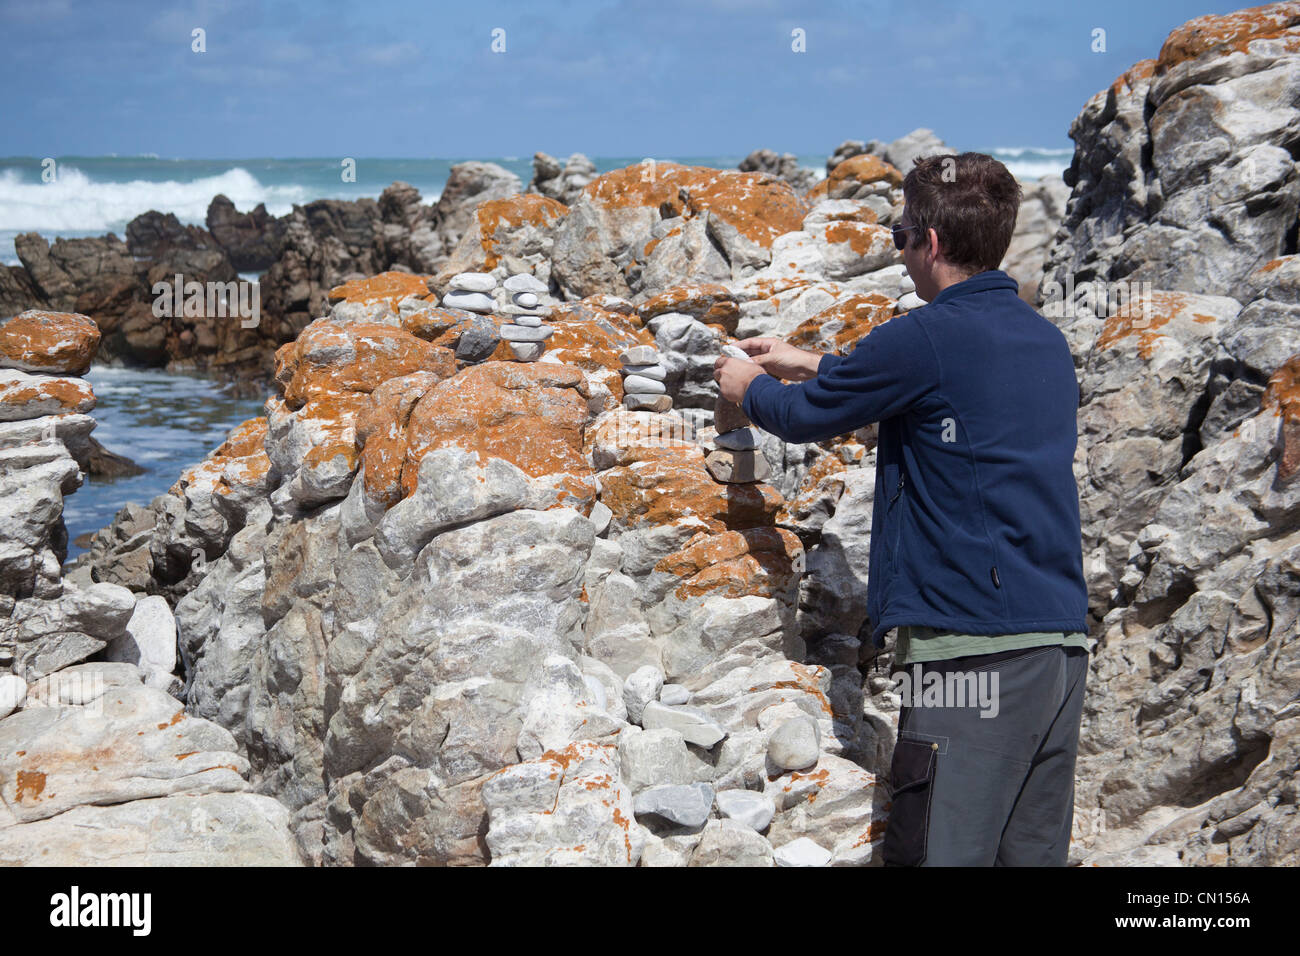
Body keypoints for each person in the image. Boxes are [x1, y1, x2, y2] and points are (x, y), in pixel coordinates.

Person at [712, 151, 1090, 866]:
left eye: (900, 235)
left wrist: (748, 383)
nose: (900, 249)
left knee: (937, 852)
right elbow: (948, 389)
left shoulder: (925, 336)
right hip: (1059, 654)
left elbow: (801, 418)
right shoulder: (1042, 339)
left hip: (970, 656)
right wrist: (815, 360)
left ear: (932, 244)